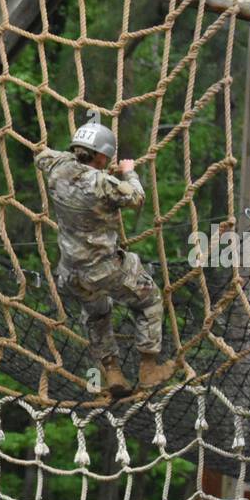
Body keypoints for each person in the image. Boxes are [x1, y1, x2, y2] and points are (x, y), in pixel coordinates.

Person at [35, 117, 177, 396]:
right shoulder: (103, 183)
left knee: (96, 313)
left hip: (70, 273)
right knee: (148, 300)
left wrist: (84, 161)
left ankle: (112, 372)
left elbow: (42, 155)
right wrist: (128, 171)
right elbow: (136, 198)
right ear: (101, 156)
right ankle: (148, 369)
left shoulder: (55, 167)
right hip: (104, 268)